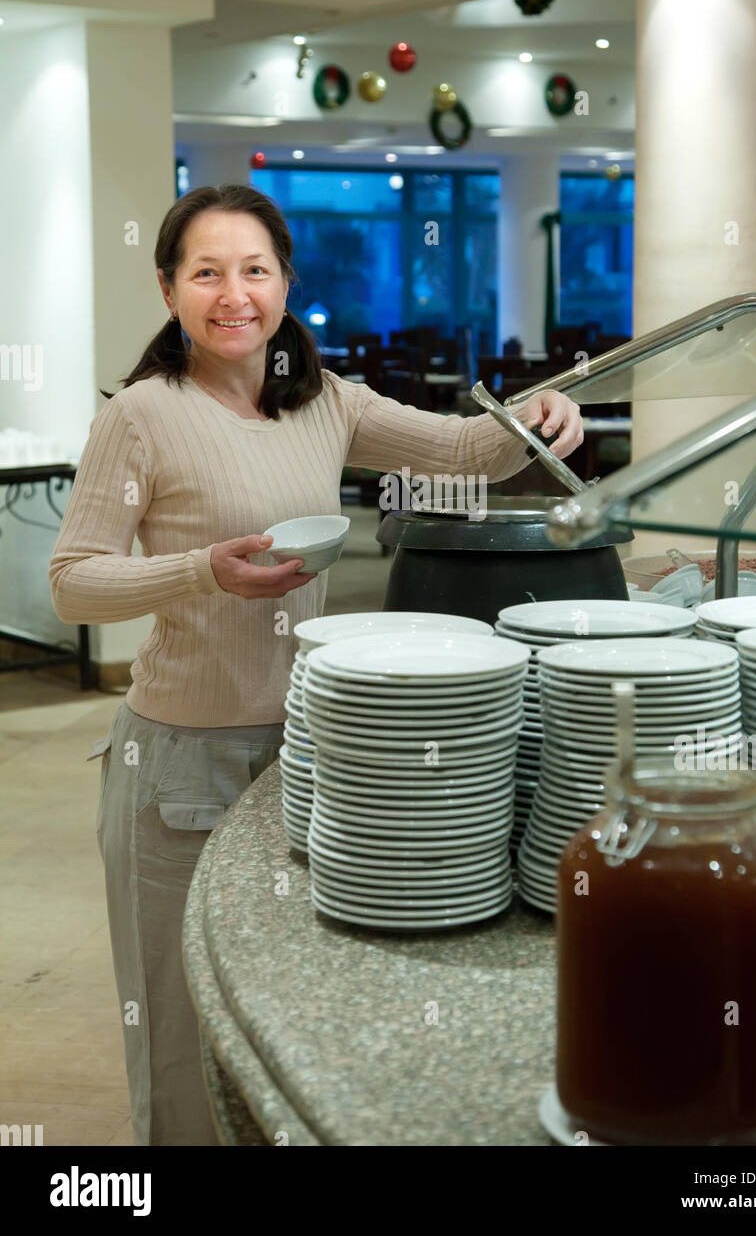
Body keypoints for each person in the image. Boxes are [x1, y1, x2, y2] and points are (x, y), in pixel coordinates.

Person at [48, 183, 584, 1146]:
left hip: (306, 753)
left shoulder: (324, 401)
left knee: (270, 1018)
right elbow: (75, 586)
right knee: (176, 1037)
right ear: (168, 288)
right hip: (177, 763)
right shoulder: (141, 415)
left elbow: (469, 451)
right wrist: (201, 572)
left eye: (254, 270)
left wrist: (542, 411)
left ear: (287, 284)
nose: (233, 294)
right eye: (206, 272)